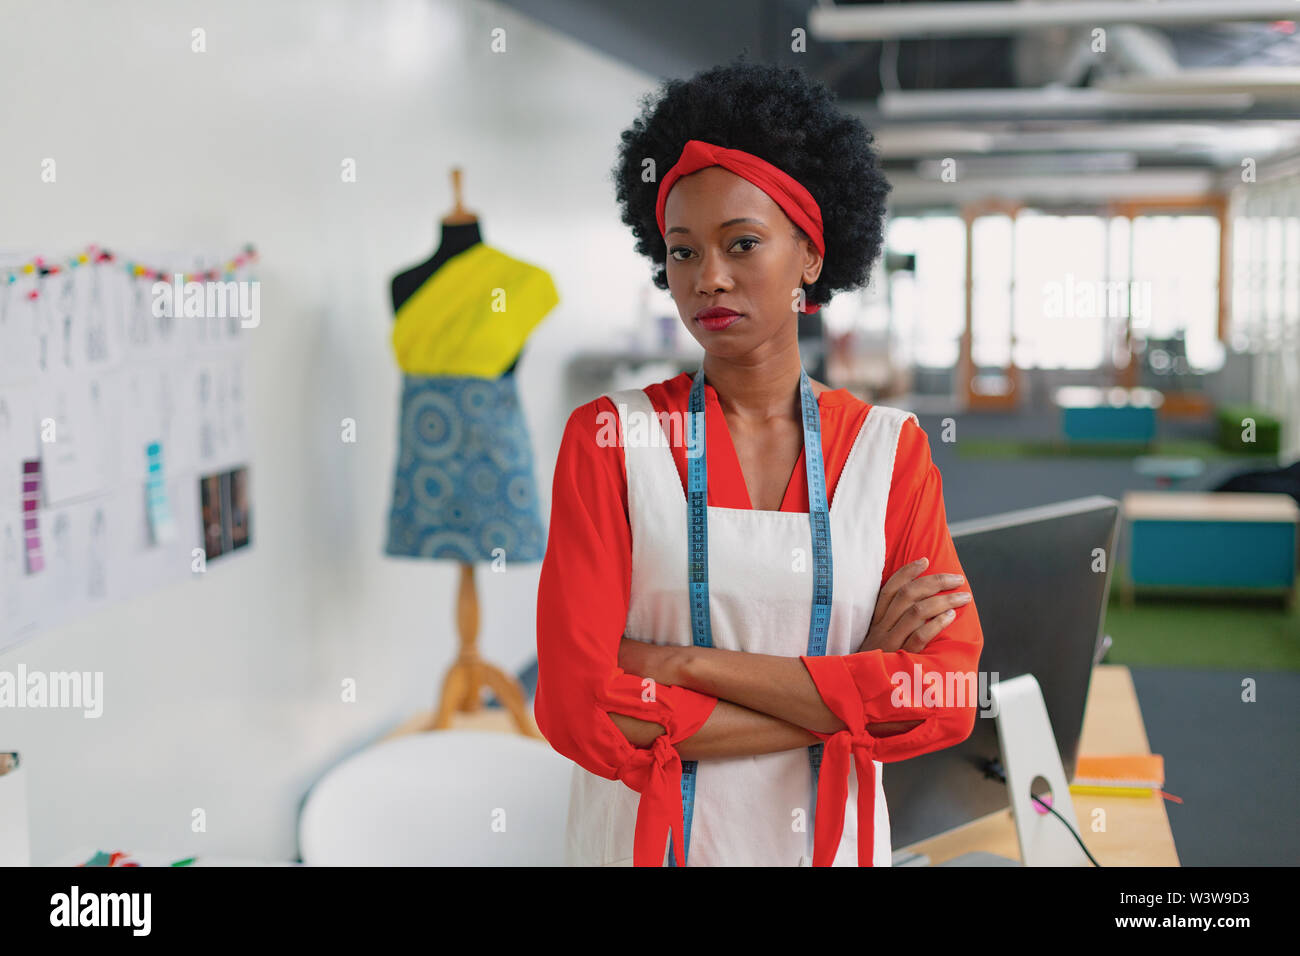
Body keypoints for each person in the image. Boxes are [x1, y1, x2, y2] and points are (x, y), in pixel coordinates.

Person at [534, 60, 983, 867]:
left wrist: (677, 666)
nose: (708, 277)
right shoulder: (609, 439)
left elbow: (941, 697)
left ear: (811, 256)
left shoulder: (891, 451)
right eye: (681, 252)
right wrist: (850, 688)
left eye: (742, 244)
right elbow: (578, 709)